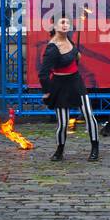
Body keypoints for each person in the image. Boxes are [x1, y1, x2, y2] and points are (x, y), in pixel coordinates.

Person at [38, 16, 100, 161]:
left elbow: (74, 58)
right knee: (63, 123)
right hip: (60, 85)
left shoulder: (69, 40)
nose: (66, 25)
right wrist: (47, 91)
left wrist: (77, 55)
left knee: (89, 115)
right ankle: (59, 150)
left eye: (67, 23)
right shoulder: (52, 48)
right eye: (62, 22)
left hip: (76, 81)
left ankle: (95, 148)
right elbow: (43, 74)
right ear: (54, 25)